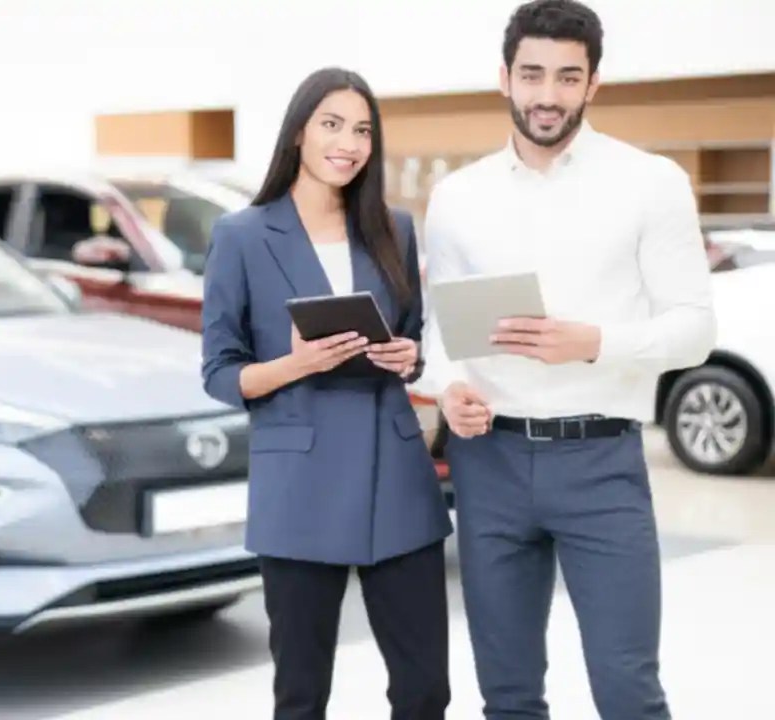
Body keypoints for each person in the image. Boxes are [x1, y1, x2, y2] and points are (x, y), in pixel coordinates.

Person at [421, 1, 717, 718]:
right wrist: (448, 384)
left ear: (593, 85)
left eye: (565, 77)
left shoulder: (651, 182)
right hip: (488, 461)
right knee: (508, 694)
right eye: (531, 75)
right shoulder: (458, 197)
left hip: (600, 464)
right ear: (504, 78)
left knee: (628, 691)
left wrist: (597, 343)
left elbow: (695, 330)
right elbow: (440, 326)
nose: (546, 95)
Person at [201, 66, 453, 720]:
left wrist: (409, 356)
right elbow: (221, 373)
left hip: (395, 477)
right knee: (303, 695)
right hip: (300, 487)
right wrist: (296, 362)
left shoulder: (393, 227)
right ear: (298, 135)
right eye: (332, 124)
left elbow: (412, 338)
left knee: (426, 689)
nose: (349, 141)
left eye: (363, 129)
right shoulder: (243, 236)